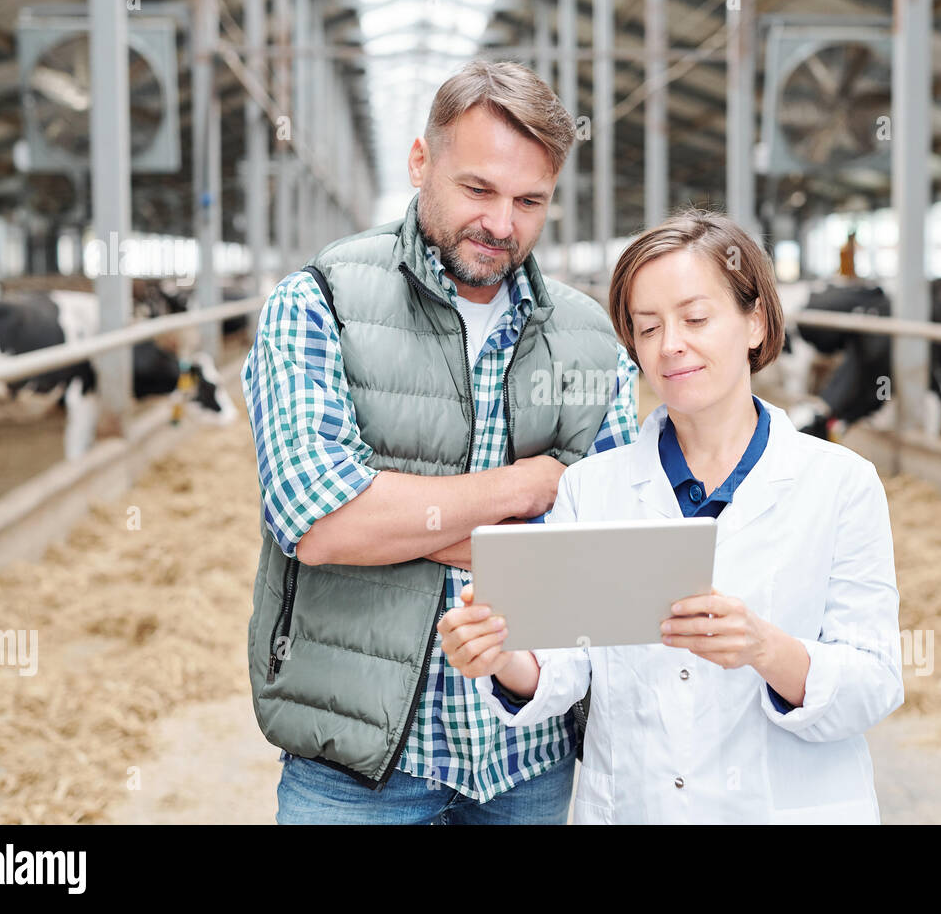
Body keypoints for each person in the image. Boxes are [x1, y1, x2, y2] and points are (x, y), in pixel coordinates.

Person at [241, 60, 639, 824]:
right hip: (357, 765)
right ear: (421, 162)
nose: (501, 224)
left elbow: (607, 555)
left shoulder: (593, 342)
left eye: (530, 201)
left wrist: (397, 519)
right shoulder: (317, 301)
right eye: (478, 190)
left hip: (528, 758)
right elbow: (320, 524)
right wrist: (532, 487)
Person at [440, 209, 904, 823]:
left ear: (755, 321)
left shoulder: (841, 484)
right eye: (648, 327)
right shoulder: (591, 489)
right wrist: (499, 656)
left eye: (696, 318)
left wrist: (765, 648)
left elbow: (874, 683)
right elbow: (564, 665)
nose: (671, 345)